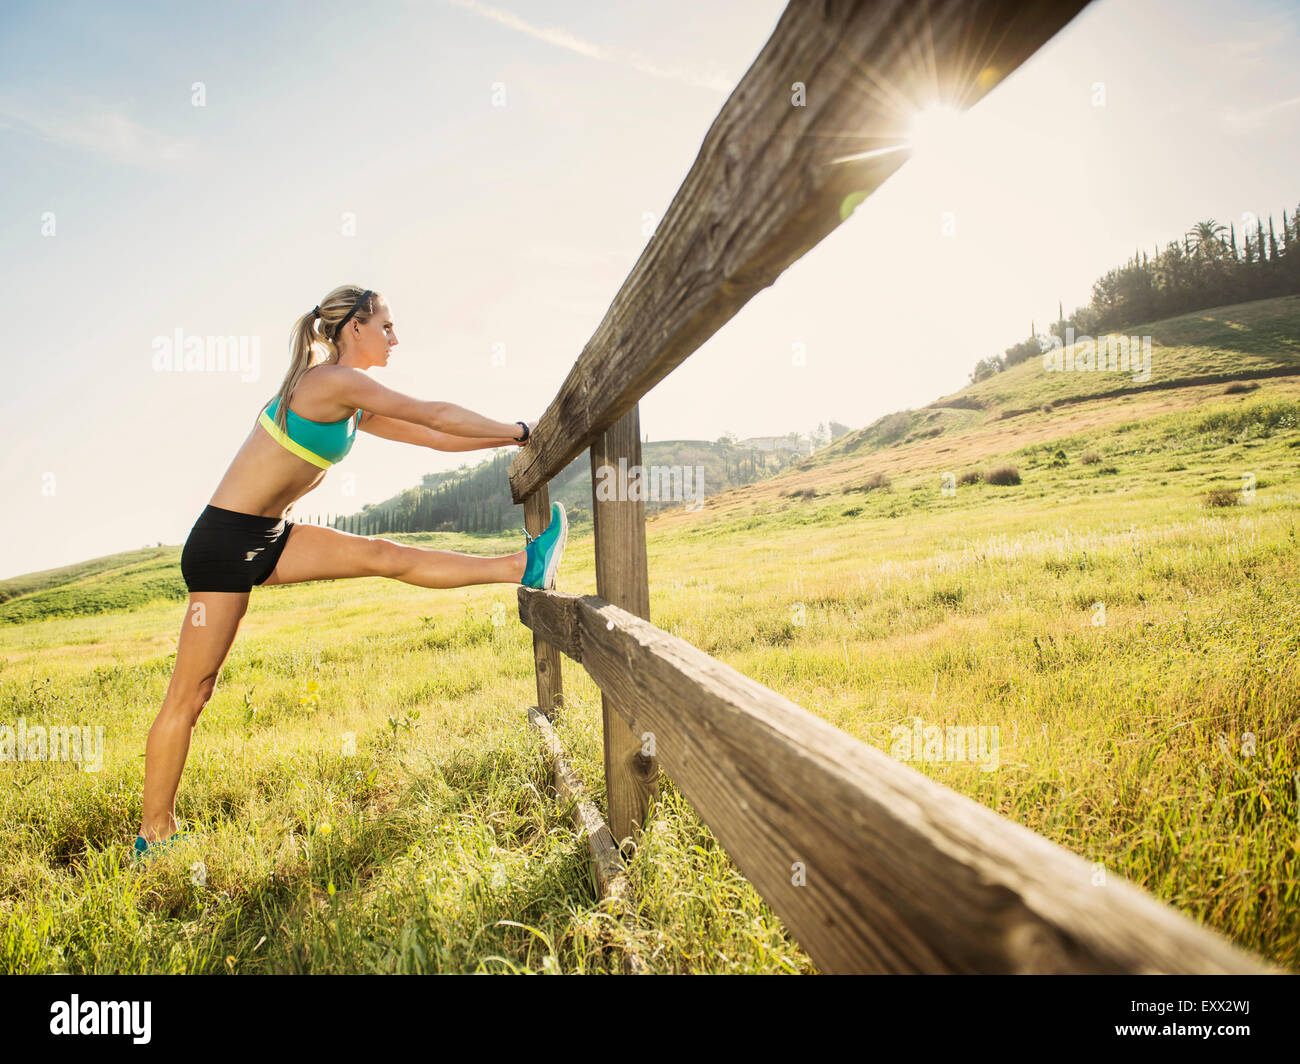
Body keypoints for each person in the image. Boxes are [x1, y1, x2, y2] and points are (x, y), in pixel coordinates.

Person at [134, 284, 567, 862]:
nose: (395, 338)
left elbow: (434, 435)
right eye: (386, 325)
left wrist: (517, 434)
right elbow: (433, 411)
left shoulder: (352, 402)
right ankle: (152, 835)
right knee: (190, 695)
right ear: (354, 329)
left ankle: (523, 565)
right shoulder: (330, 382)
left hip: (268, 536)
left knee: (383, 554)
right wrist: (517, 429)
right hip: (222, 543)